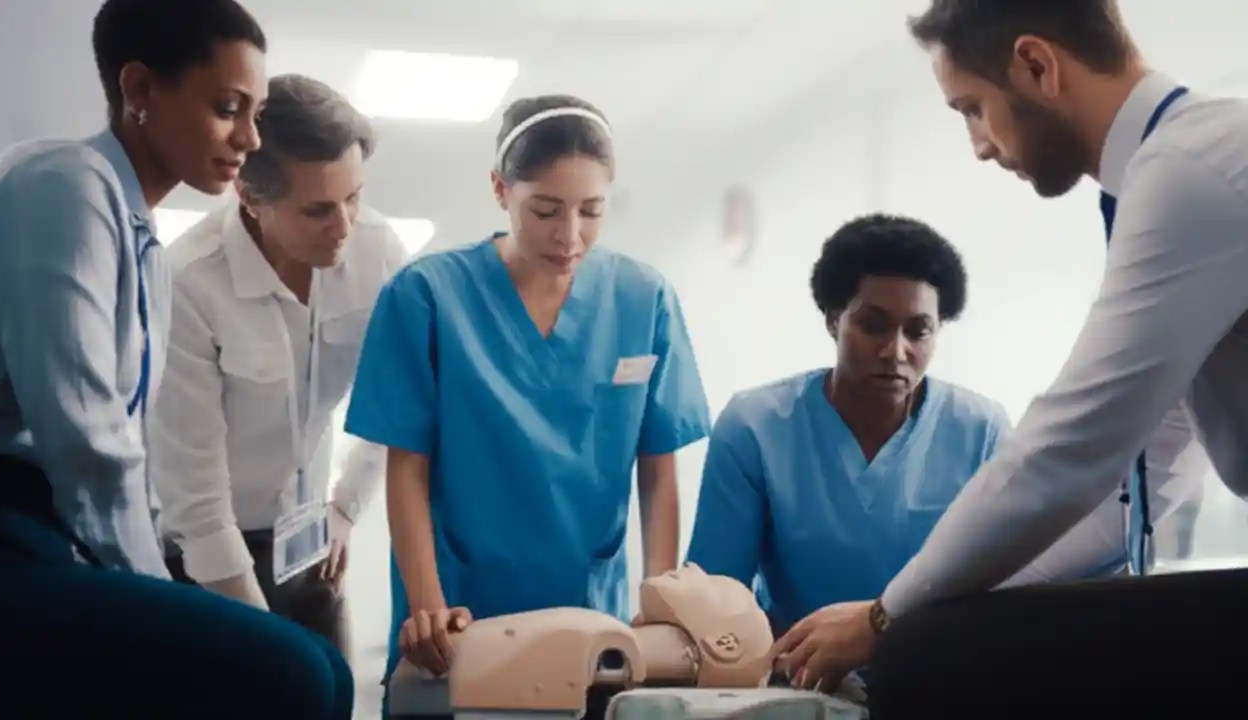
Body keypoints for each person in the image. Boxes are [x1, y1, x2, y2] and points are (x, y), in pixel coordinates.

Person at [769, 1, 1248, 717]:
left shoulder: (1189, 173)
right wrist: (914, 605)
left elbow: (1065, 453)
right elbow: (1142, 476)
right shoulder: (1190, 164)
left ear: (1036, 65)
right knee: (937, 633)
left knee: (928, 654)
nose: (979, 146)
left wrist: (886, 617)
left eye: (973, 109)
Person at [0, 2, 352, 718]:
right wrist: (151, 586)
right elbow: (85, 441)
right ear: (140, 89)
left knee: (322, 666)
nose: (250, 138)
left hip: (48, 535)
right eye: (228, 109)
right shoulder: (62, 184)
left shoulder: (144, 242)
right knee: (293, 673)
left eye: (257, 114)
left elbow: (130, 454)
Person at [343, 94, 711, 707]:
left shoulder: (643, 298)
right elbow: (407, 466)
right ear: (500, 190)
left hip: (592, 618)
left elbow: (658, 468)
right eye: (545, 210)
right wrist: (428, 604)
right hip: (460, 613)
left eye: (592, 211)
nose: (570, 236)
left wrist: (659, 604)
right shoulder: (427, 295)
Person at [150, 73, 405, 656]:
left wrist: (346, 507)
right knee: (267, 680)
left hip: (308, 539)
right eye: (318, 210)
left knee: (328, 689)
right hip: (203, 555)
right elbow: (198, 506)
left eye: (354, 197)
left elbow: (397, 400)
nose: (344, 228)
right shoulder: (189, 283)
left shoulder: (377, 250)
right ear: (248, 195)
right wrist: (264, 643)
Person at [686, 213, 1010, 638]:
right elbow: (714, 602)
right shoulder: (755, 429)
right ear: (833, 319)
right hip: (790, 668)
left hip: (937, 666)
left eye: (918, 332)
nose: (896, 352)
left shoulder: (980, 433)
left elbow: (1003, 588)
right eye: (873, 326)